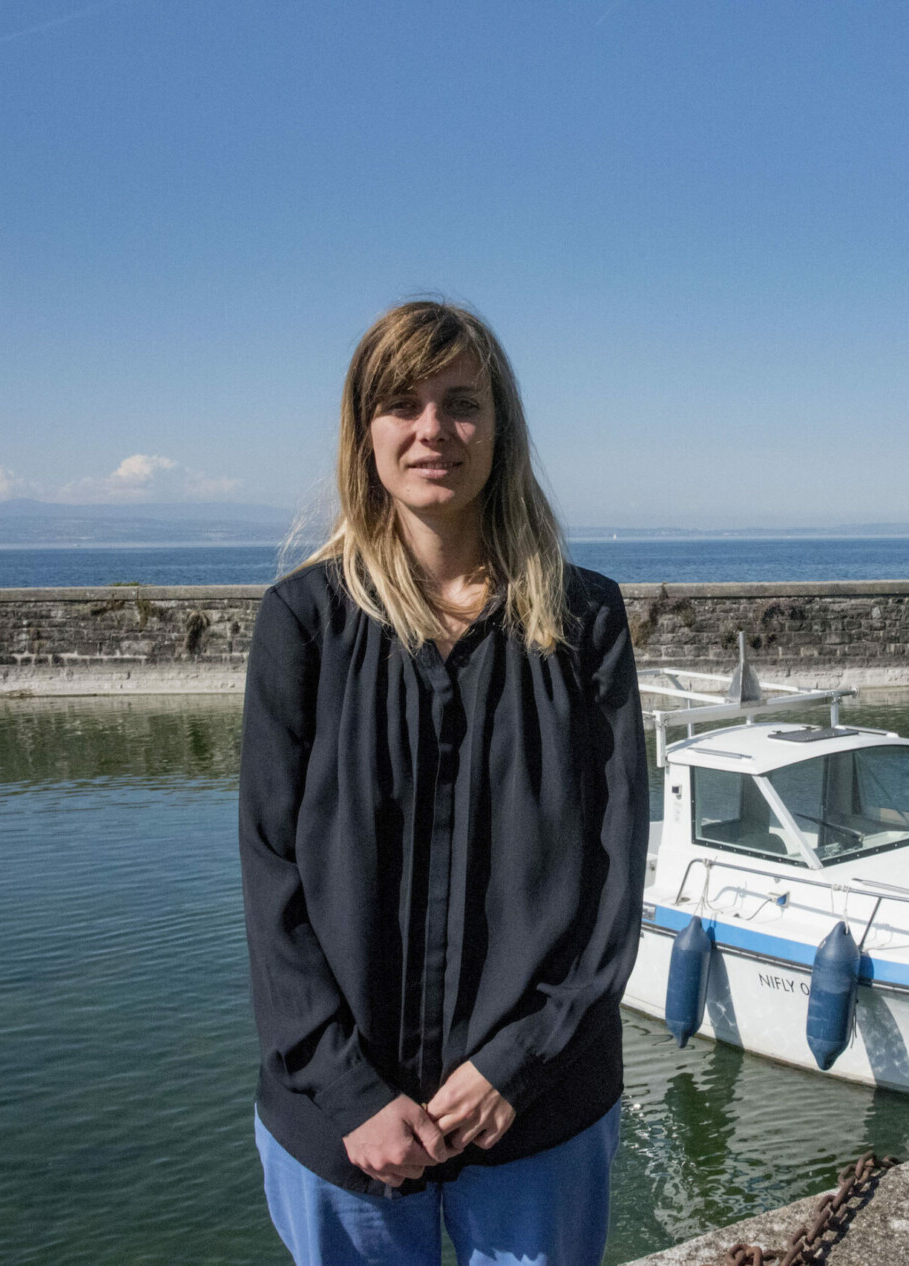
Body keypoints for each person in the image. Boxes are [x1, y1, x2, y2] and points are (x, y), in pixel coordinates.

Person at [239, 300, 649, 1266]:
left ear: (500, 429)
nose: (433, 430)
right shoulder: (302, 623)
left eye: (462, 403)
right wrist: (352, 1094)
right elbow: (271, 881)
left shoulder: (585, 622)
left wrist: (519, 1062)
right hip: (341, 1133)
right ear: (364, 432)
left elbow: (615, 876)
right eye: (402, 404)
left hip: (538, 1119)